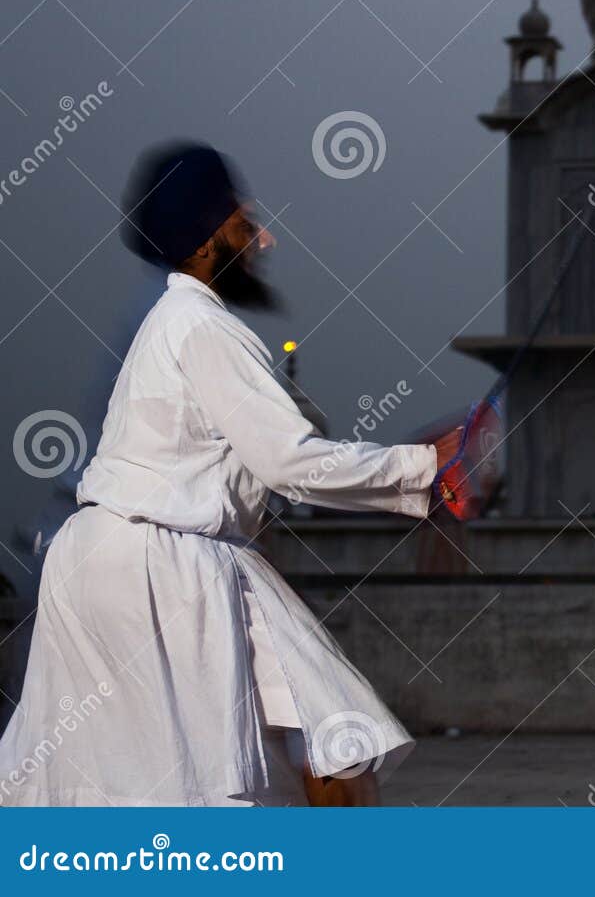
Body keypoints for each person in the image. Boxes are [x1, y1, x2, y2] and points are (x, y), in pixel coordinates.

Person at [0, 142, 460, 807]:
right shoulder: (202, 326)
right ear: (211, 237)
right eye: (247, 222)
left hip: (109, 560)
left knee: (101, 786)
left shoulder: (170, 323)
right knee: (303, 751)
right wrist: (426, 467)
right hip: (162, 566)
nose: (265, 235)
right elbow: (288, 460)